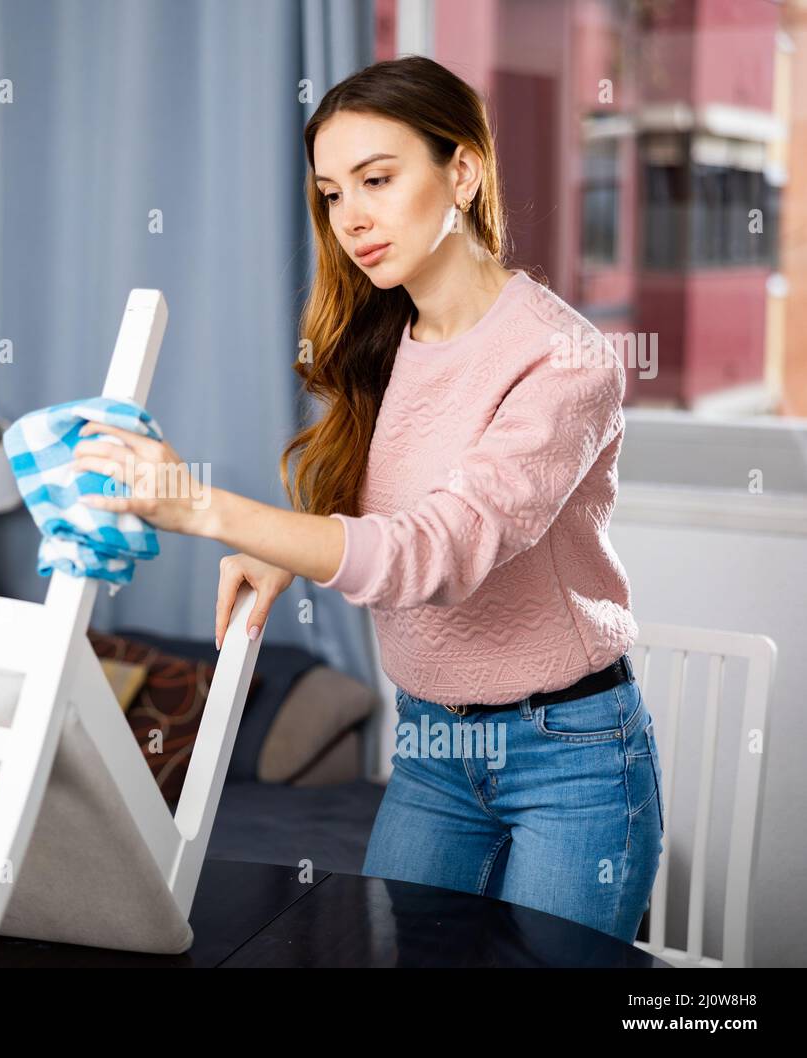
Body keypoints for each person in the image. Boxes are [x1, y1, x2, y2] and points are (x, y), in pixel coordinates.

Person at [67, 56, 663, 944]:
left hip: (568, 756)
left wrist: (197, 506)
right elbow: (387, 512)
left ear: (461, 171)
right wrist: (280, 550)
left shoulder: (564, 361)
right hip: (429, 747)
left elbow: (438, 554)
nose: (352, 218)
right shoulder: (388, 337)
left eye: (378, 180)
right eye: (332, 193)